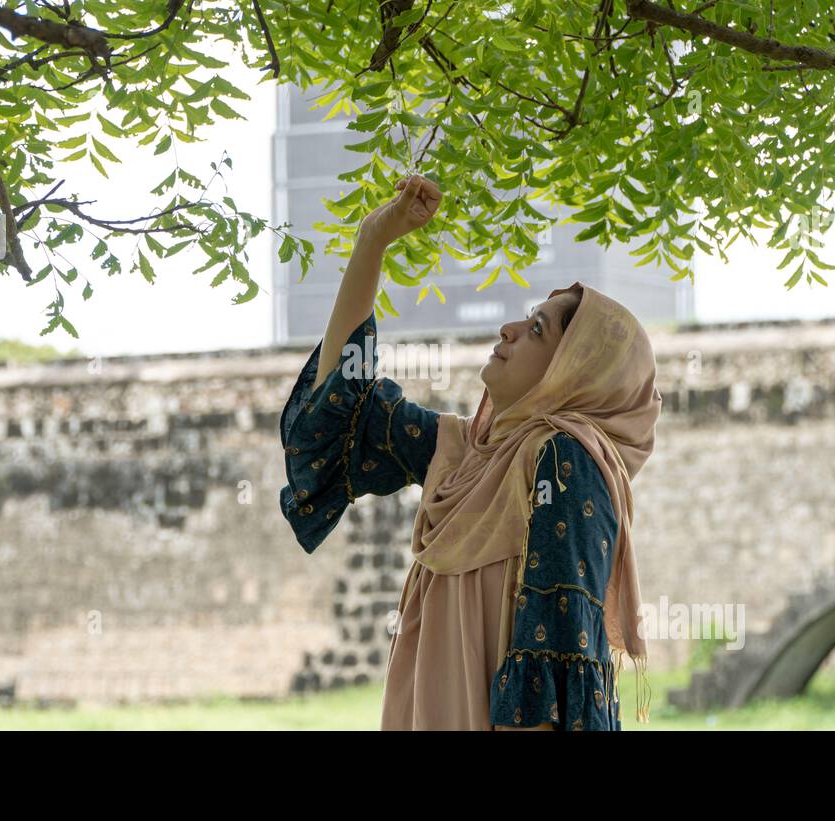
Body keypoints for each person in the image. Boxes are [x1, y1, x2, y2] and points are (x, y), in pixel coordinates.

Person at [279, 173, 662, 730]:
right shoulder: (465, 455)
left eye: (536, 330)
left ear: (577, 373)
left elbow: (558, 662)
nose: (507, 330)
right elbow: (338, 402)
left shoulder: (564, 460)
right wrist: (373, 240)